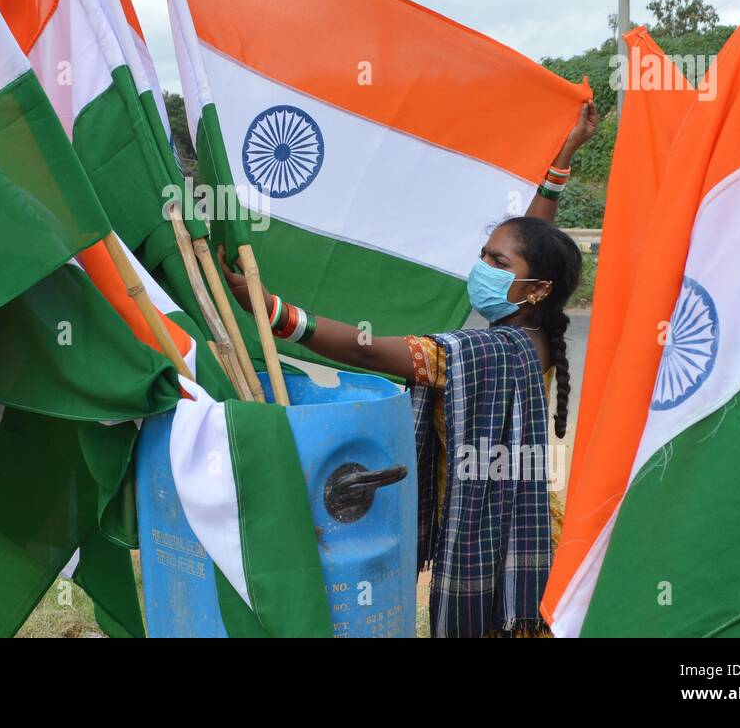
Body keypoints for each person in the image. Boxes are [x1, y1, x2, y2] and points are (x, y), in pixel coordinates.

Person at [221, 100, 599, 637]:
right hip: (525, 536)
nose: (481, 268)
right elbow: (535, 245)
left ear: (534, 289)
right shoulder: (533, 334)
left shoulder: (477, 356)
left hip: (491, 554)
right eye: (484, 254)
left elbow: (367, 349)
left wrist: (274, 310)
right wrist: (561, 162)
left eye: (497, 263)